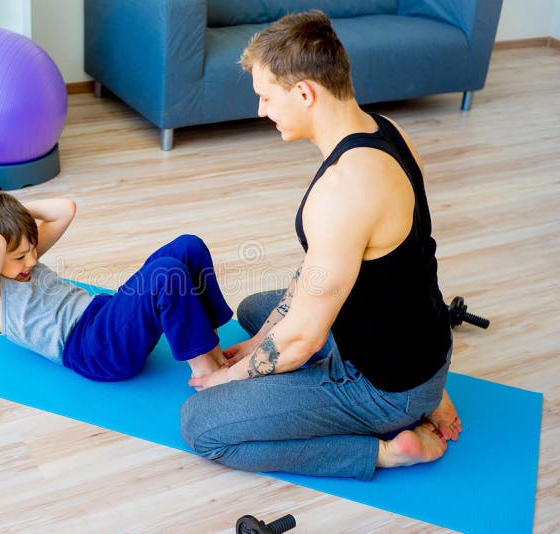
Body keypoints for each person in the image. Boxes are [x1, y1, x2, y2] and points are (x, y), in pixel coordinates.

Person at [180, 10, 462, 480]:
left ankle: (386, 450)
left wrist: (223, 379)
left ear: (305, 92)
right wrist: (256, 342)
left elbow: (300, 341)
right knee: (256, 309)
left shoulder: (342, 190)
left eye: (266, 97)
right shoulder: (386, 131)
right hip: (426, 346)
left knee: (202, 426)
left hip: (382, 387)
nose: (261, 111)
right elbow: (337, 269)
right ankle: (429, 392)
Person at [0, 190, 233, 382]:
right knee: (166, 274)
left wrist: (12, 214)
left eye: (33, 250)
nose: (33, 259)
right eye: (20, 257)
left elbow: (66, 209)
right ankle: (204, 371)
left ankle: (213, 351)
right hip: (91, 349)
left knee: (188, 246)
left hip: (103, 314)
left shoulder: (21, 254)